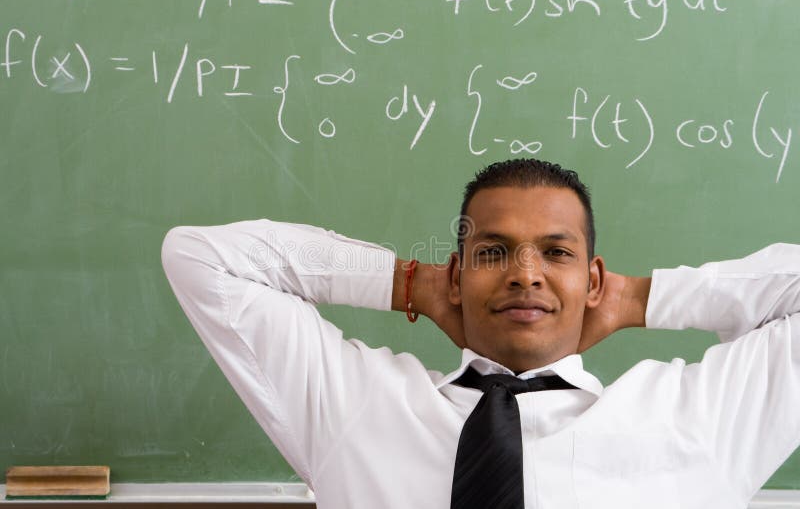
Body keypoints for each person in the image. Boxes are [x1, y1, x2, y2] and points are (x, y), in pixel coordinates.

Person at [161, 159, 800, 509]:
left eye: (556, 253)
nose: (525, 274)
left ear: (594, 280)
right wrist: (412, 284)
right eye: (493, 253)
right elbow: (201, 258)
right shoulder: (354, 406)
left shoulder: (697, 419)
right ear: (458, 276)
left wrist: (636, 299)